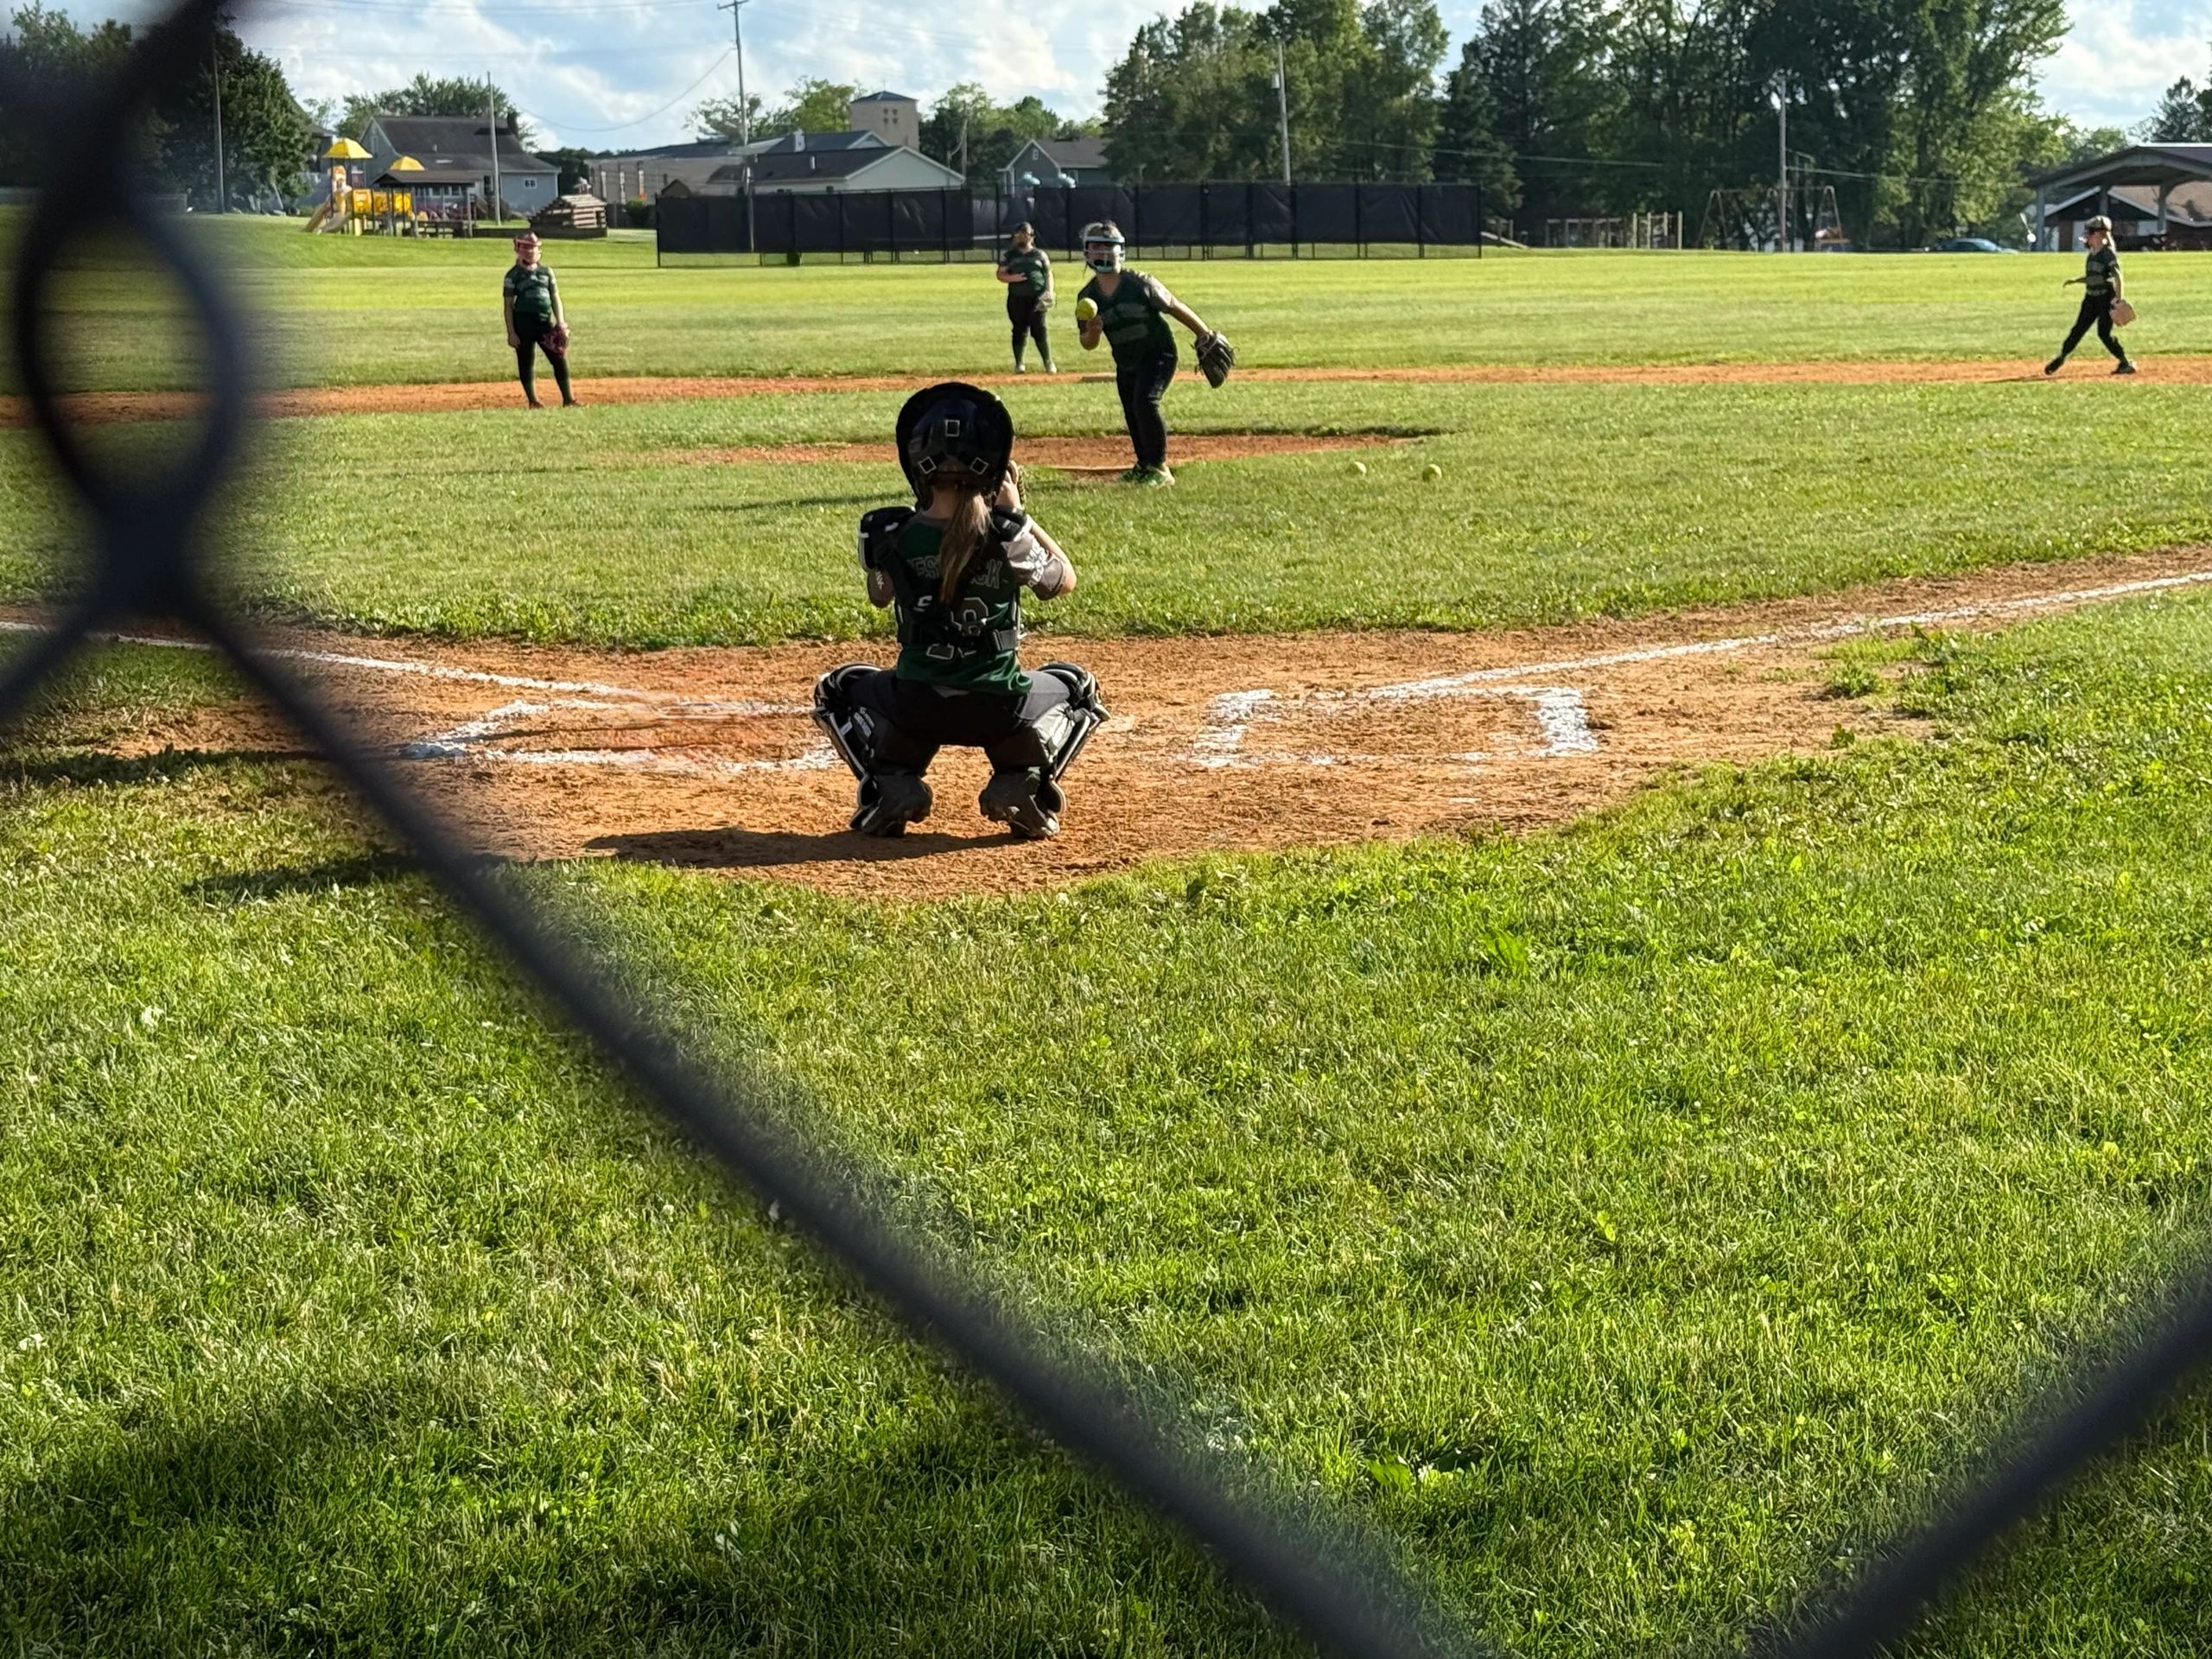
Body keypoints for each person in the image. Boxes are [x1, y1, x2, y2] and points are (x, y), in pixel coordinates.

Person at [813, 383, 1108, 840]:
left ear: (917, 462)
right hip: (999, 709)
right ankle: (1021, 781)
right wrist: (1019, 517)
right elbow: (1062, 580)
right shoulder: (1008, 536)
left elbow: (878, 595)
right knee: (1077, 687)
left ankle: (893, 783)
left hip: (916, 706)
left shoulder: (889, 532)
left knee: (839, 688)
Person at [1071, 220, 1218, 485]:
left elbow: (1174, 306)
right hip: (1126, 361)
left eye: (1109, 246)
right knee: (1131, 410)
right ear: (1086, 253)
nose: (1103, 252)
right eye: (1097, 247)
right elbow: (1087, 343)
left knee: (1145, 402)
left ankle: (1160, 468)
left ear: (1121, 251)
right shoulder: (1088, 297)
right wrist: (1093, 331)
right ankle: (1144, 464)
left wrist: (1203, 334)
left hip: (1158, 354)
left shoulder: (1139, 283)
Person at [2046, 215, 2135, 377]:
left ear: (2100, 234)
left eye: (2091, 232)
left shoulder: (2107, 254)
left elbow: (2118, 277)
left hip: (2105, 298)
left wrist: (2118, 300)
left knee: (2104, 333)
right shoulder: (2092, 254)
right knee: (2078, 329)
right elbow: (2094, 277)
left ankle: (2125, 362)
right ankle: (2062, 356)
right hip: (2091, 298)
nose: (2088, 235)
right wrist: (2077, 280)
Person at [503, 232, 578, 408]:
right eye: (526, 247)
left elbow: (555, 298)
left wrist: (561, 323)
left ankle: (569, 399)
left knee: (558, 358)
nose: (531, 251)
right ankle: (533, 401)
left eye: (534, 247)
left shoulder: (546, 272)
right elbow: (508, 306)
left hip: (544, 322)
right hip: (523, 323)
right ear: (518, 249)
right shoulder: (513, 275)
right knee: (526, 360)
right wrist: (511, 332)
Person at [995, 221, 1056, 374]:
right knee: (1019, 329)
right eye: (1019, 235)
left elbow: (1048, 273)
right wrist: (1013, 278)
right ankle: (1019, 363)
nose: (1021, 237)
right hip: (1017, 298)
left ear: (1031, 236)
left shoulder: (1040, 254)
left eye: (1024, 234)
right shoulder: (1010, 255)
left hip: (1037, 298)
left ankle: (1048, 362)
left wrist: (1049, 291)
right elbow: (1000, 274)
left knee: (1039, 328)